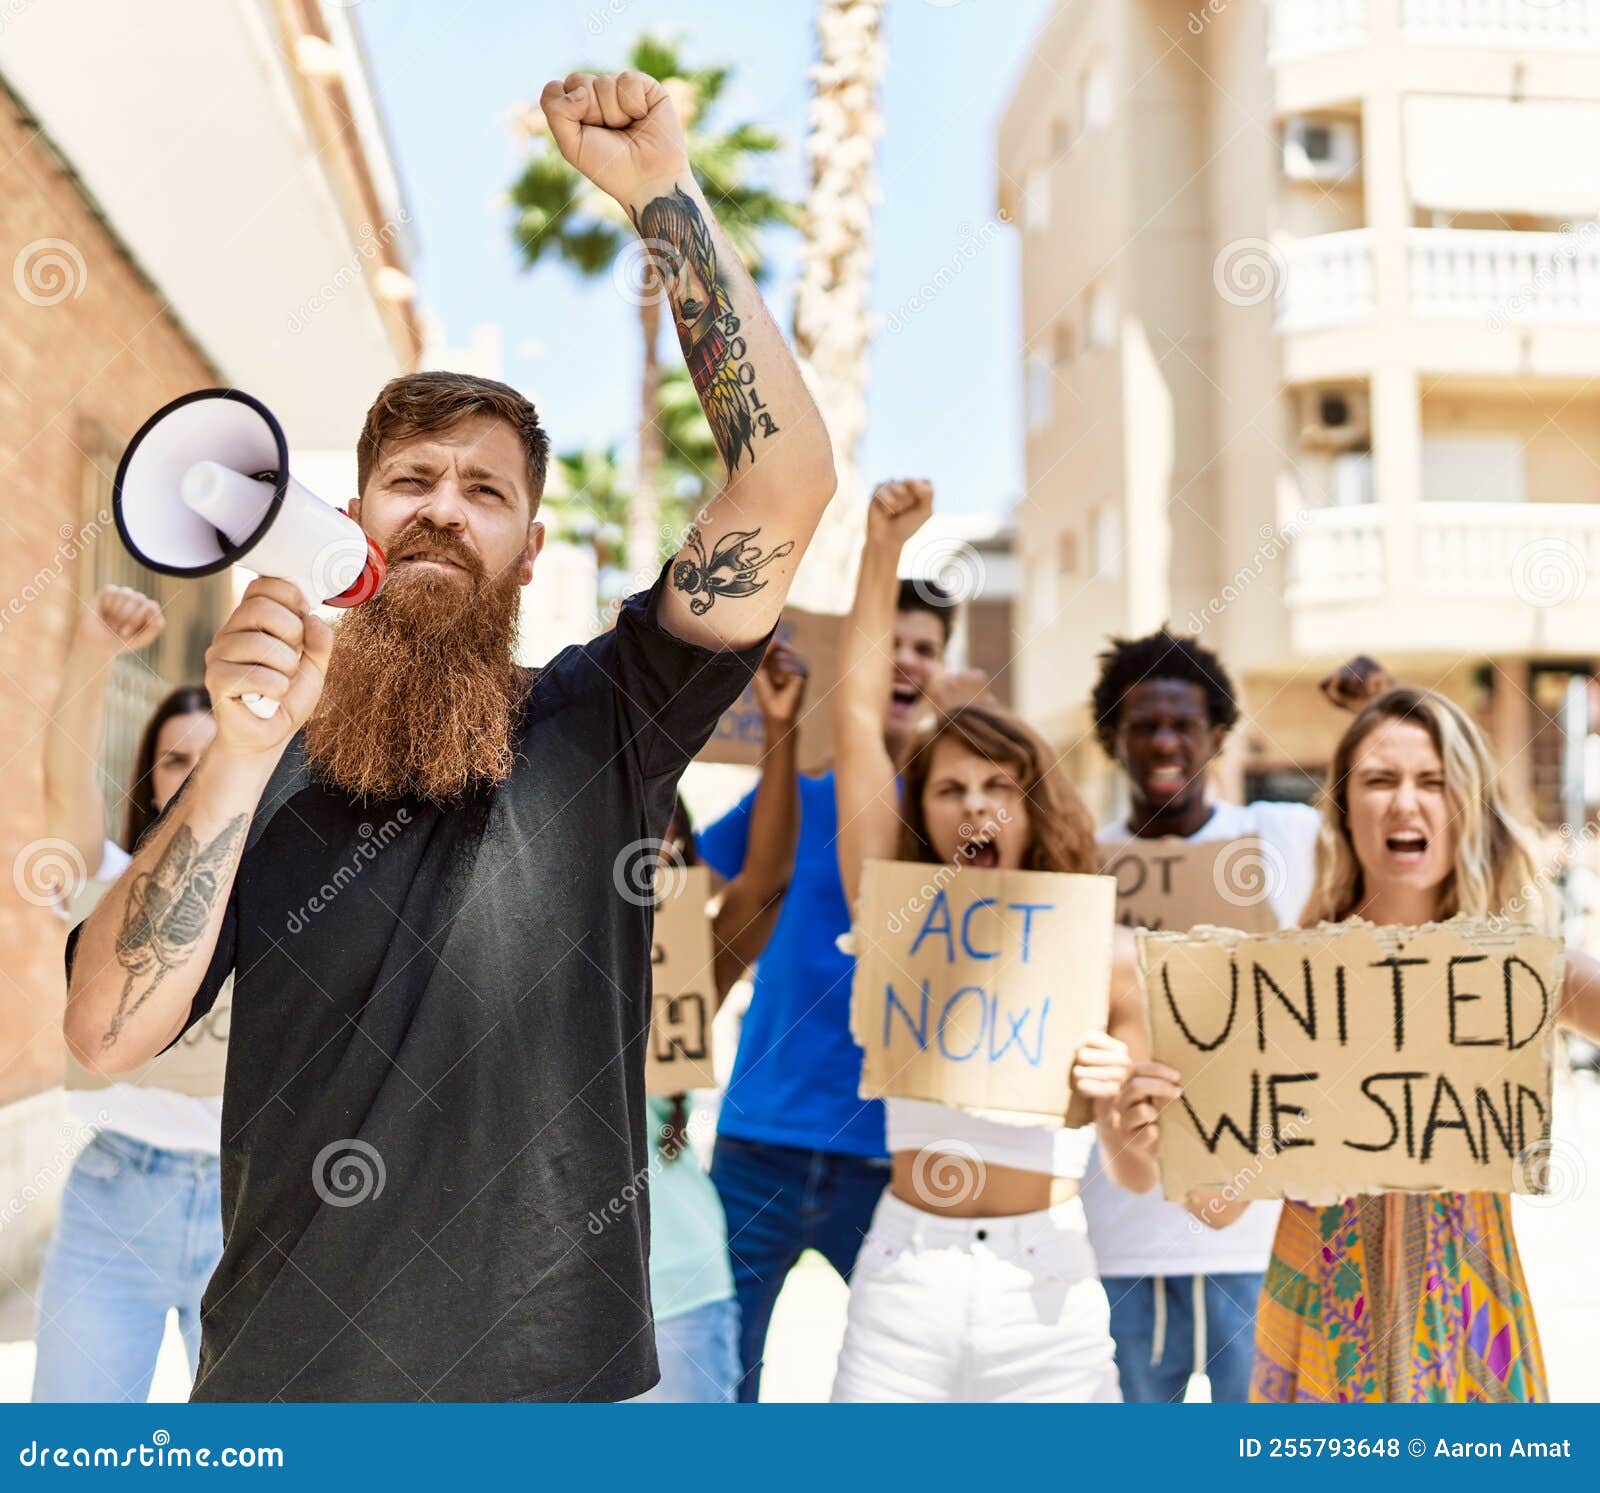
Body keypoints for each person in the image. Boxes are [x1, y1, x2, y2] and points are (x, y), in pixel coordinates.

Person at [62, 69, 837, 1403]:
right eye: (410, 481)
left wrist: (661, 196)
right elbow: (105, 1031)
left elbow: (786, 480)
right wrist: (239, 755)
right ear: (354, 519)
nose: (441, 510)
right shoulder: (264, 760)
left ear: (532, 551)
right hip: (286, 1393)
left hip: (556, 1398)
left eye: (483, 491)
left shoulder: (610, 717)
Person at [1139, 685, 1600, 1401]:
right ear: (1345, 809)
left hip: (1468, 1314)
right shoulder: (1283, 977)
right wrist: (1153, 1120)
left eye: (1434, 781)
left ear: (1466, 805)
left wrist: (1553, 967)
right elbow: (1217, 1204)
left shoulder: (1512, 971)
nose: (1404, 803)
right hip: (1321, 1305)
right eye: (1380, 780)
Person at [825, 478, 1155, 1402]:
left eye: (998, 785)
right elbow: (854, 720)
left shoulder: (1105, 952)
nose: (975, 802)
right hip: (904, 1281)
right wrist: (883, 546)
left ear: (1029, 806)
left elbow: (1138, 1164)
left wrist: (1120, 1097)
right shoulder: (892, 909)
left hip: (1045, 1290)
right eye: (950, 786)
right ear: (921, 814)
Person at [697, 576, 954, 1400]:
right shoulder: (792, 799)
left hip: (885, 1152)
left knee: (905, 1383)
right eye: (896, 643)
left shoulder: (954, 821)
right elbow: (691, 888)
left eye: (927, 648)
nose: (908, 660)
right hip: (758, 1138)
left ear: (943, 674)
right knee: (718, 1376)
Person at [1078, 628, 1337, 1402]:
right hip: (1127, 1222)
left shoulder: (1281, 837)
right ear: (1111, 740)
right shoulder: (1082, 864)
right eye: (1143, 725)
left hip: (1259, 1226)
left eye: (1183, 725)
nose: (1164, 741)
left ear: (1217, 737)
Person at [34, 585, 229, 1402]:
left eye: (213, 756)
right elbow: (64, 793)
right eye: (177, 757)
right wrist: (91, 649)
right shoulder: (113, 890)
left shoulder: (292, 897)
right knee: (73, 1446)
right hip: (117, 1193)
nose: (193, 775)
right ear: (151, 774)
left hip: (245, 1204)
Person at [634, 643, 806, 1403]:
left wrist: (781, 731)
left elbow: (765, 886)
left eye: (672, 847)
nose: (653, 859)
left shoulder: (685, 967)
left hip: (675, 1295)